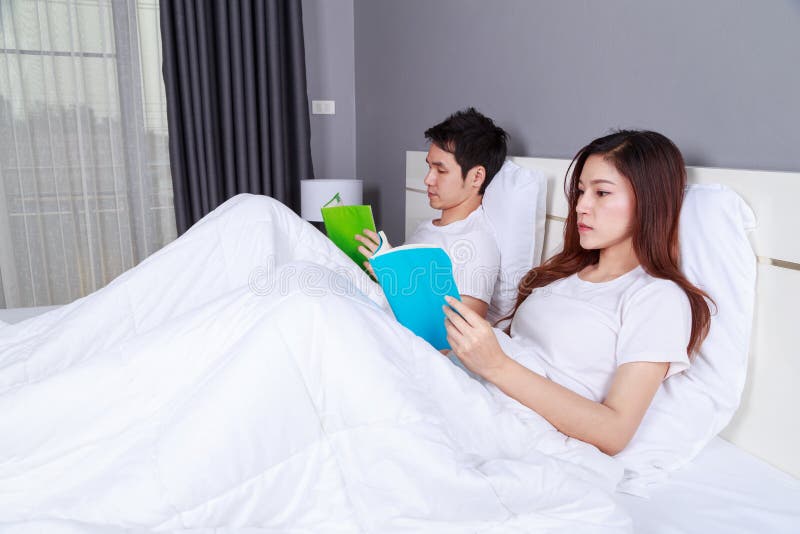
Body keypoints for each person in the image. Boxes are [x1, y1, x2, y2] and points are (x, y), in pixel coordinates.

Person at [441, 130, 713, 456]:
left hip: (514, 426)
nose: (581, 206)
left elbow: (614, 432)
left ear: (648, 200)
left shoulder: (657, 298)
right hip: (469, 389)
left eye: (601, 193)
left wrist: (496, 365)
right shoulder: (563, 275)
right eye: (581, 191)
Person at [355, 108, 507, 318]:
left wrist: (396, 278)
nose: (427, 179)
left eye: (441, 170)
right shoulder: (425, 228)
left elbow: (460, 335)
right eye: (429, 168)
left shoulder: (477, 242)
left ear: (476, 177)